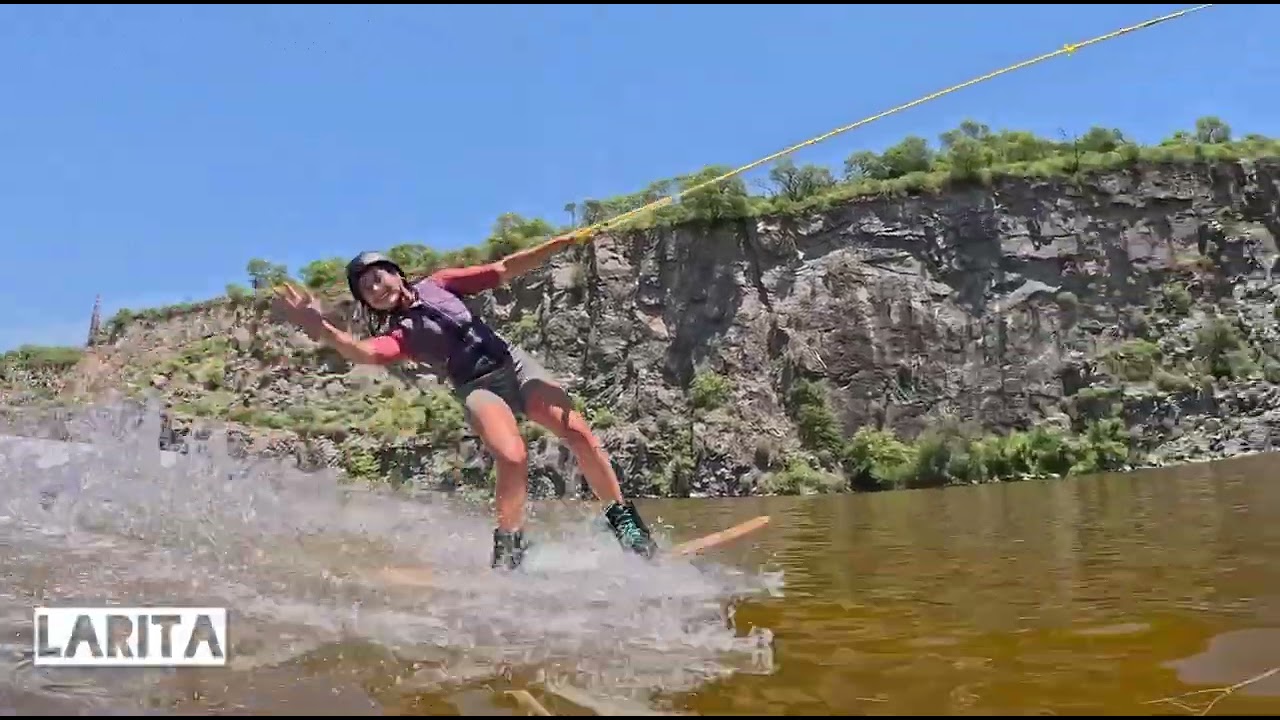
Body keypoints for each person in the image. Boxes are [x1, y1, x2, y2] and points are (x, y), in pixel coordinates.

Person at [271, 234, 659, 571]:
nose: (376, 287)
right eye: (366, 290)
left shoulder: (440, 284)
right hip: (477, 388)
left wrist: (558, 245)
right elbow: (362, 352)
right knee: (512, 458)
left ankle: (622, 519)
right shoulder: (402, 336)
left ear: (396, 273)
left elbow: (504, 268)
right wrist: (320, 327)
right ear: (369, 305)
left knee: (576, 431)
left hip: (514, 364)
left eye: (378, 276)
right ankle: (509, 542)